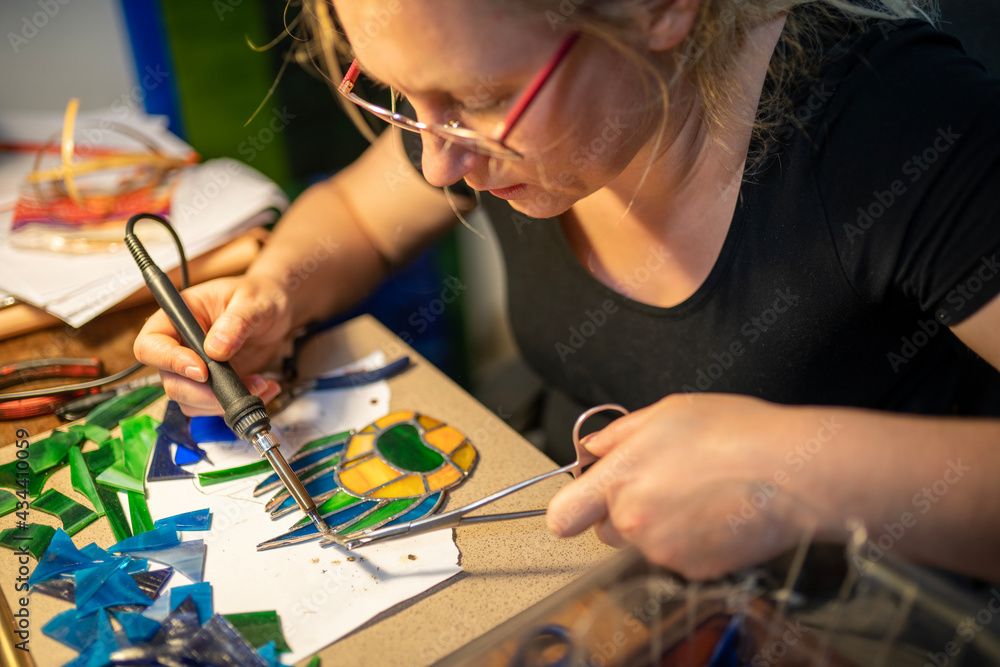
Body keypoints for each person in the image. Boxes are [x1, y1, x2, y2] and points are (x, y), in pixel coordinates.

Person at [133, 0, 1000, 582]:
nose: (439, 163)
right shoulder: (475, 117)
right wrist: (277, 292)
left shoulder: (904, 128)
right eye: (401, 96)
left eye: (483, 98)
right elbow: (358, 216)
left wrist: (788, 474)